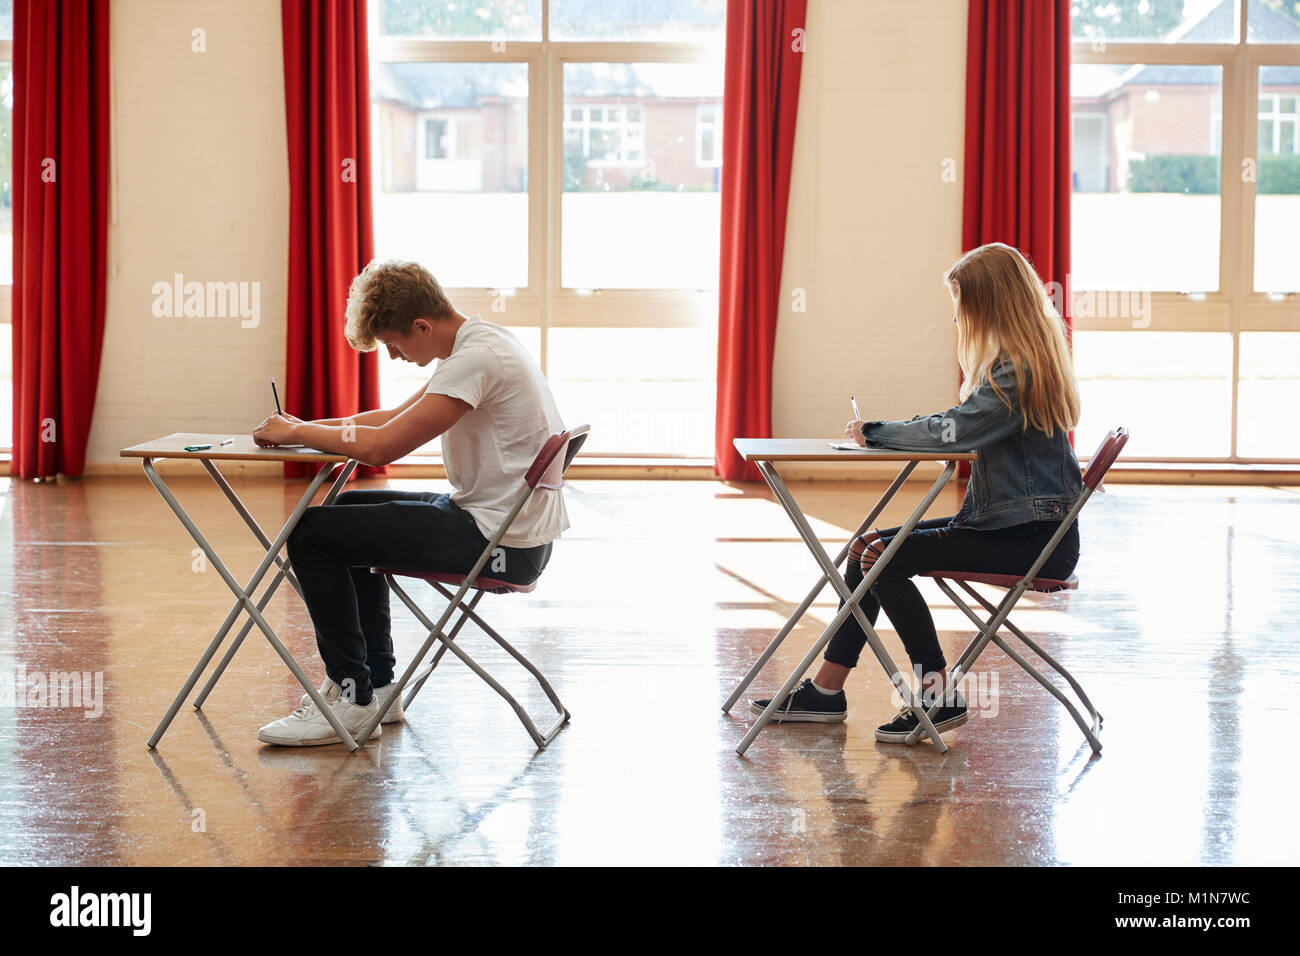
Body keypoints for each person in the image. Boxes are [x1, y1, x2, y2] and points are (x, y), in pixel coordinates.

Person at [752, 242, 1083, 743]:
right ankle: (826, 692)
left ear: (990, 306)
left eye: (961, 309)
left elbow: (955, 431)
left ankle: (937, 695)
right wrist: (892, 430)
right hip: (1015, 526)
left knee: (881, 556)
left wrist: (877, 431)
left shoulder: (1017, 373)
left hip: (1030, 539)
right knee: (869, 547)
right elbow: (960, 428)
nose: (957, 321)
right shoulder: (1020, 364)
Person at [252, 259, 569, 746]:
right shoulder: (481, 342)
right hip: (504, 529)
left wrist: (297, 433)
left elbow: (382, 448)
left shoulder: (474, 361)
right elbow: (392, 417)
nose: (395, 355)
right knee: (344, 517)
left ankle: (352, 698)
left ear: (422, 325)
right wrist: (305, 427)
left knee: (312, 535)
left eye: (395, 343)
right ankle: (378, 688)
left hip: (497, 542)